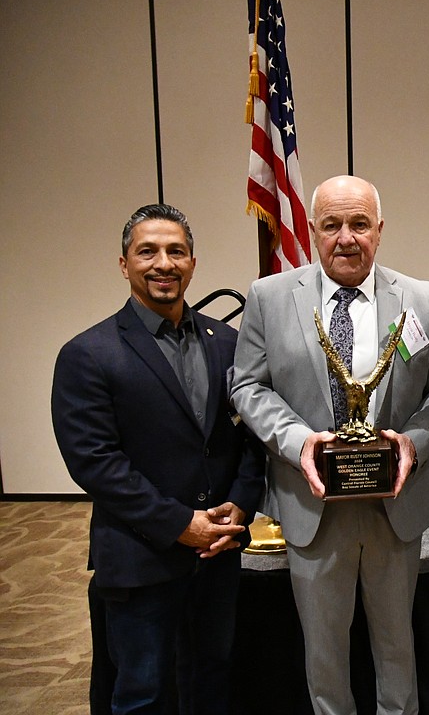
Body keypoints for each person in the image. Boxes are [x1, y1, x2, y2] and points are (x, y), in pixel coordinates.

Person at [230, 175, 429, 715]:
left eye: (359, 224)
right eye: (332, 225)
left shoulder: (423, 299)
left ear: (379, 230)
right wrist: (299, 443)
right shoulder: (269, 298)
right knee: (324, 655)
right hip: (311, 504)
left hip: (395, 505)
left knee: (397, 647)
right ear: (313, 230)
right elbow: (247, 386)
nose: (346, 238)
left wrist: (411, 444)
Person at [51, 203, 265, 714]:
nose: (163, 263)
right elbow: (95, 462)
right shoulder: (88, 353)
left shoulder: (228, 342)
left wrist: (240, 504)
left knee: (211, 679)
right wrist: (180, 525)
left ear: (193, 262)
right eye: (147, 252)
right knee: (142, 693)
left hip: (217, 553)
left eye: (176, 251)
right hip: (141, 556)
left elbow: (252, 438)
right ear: (124, 264)